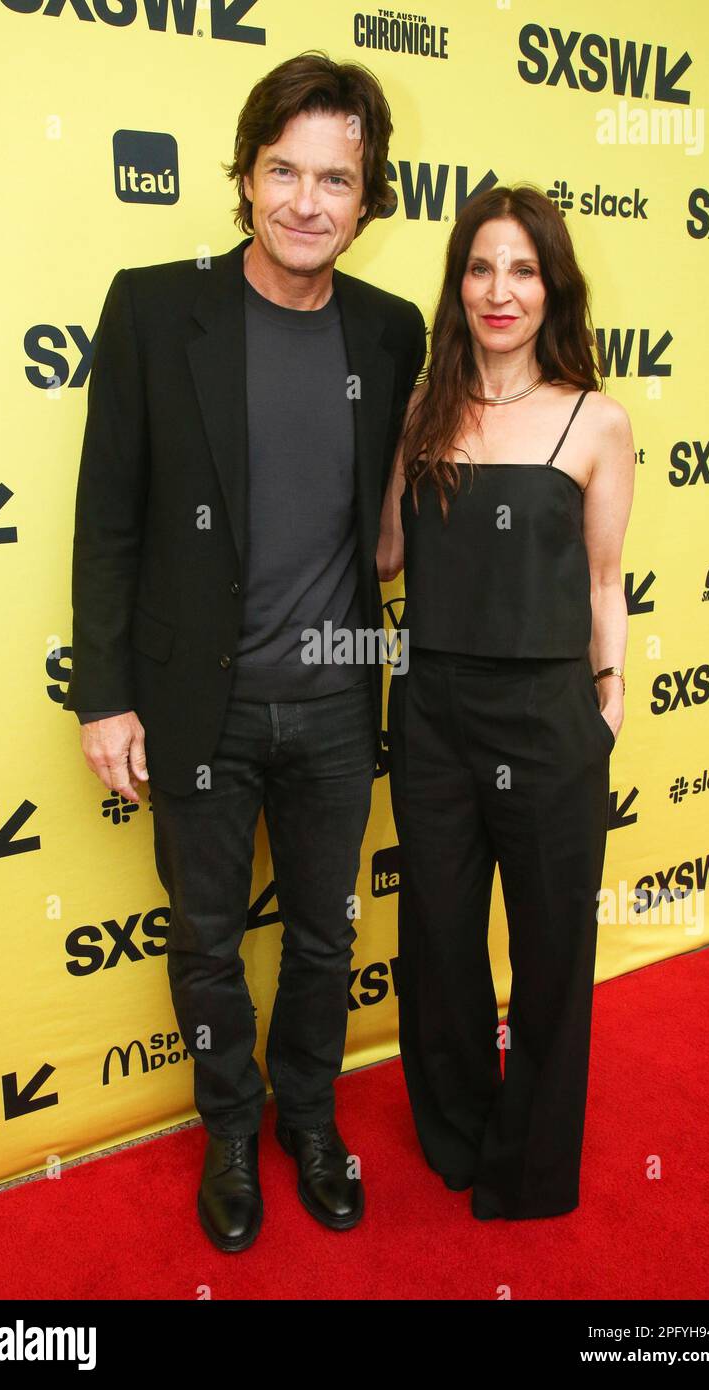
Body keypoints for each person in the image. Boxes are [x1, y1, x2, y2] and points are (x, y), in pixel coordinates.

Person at [64, 52, 426, 1252]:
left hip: (333, 704)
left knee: (325, 935)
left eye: (337, 178)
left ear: (367, 201)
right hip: (196, 707)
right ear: (245, 176)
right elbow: (107, 517)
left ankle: (310, 1121)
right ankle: (230, 1127)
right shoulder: (157, 309)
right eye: (285, 171)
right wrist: (106, 697)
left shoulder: (390, 330)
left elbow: (388, 520)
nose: (307, 202)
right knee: (208, 942)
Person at [377, 183, 635, 1220]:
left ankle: (528, 1167)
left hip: (546, 713)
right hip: (433, 708)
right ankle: (454, 1132)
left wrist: (607, 698)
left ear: (550, 287)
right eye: (481, 267)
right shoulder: (422, 408)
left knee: (550, 954)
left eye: (522, 269)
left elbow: (605, 581)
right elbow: (390, 556)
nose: (500, 289)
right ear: (459, 284)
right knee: (438, 940)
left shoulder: (594, 419)